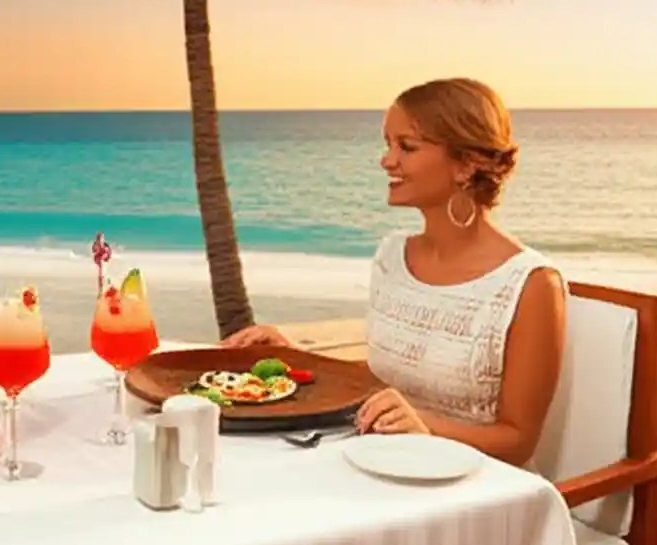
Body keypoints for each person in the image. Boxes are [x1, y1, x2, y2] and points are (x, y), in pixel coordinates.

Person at [225, 78, 567, 468]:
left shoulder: (530, 284)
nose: (387, 160)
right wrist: (296, 361)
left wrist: (424, 426)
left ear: (466, 164)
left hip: (477, 491)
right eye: (388, 144)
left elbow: (518, 441)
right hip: (386, 464)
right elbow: (385, 385)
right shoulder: (392, 256)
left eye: (407, 146)